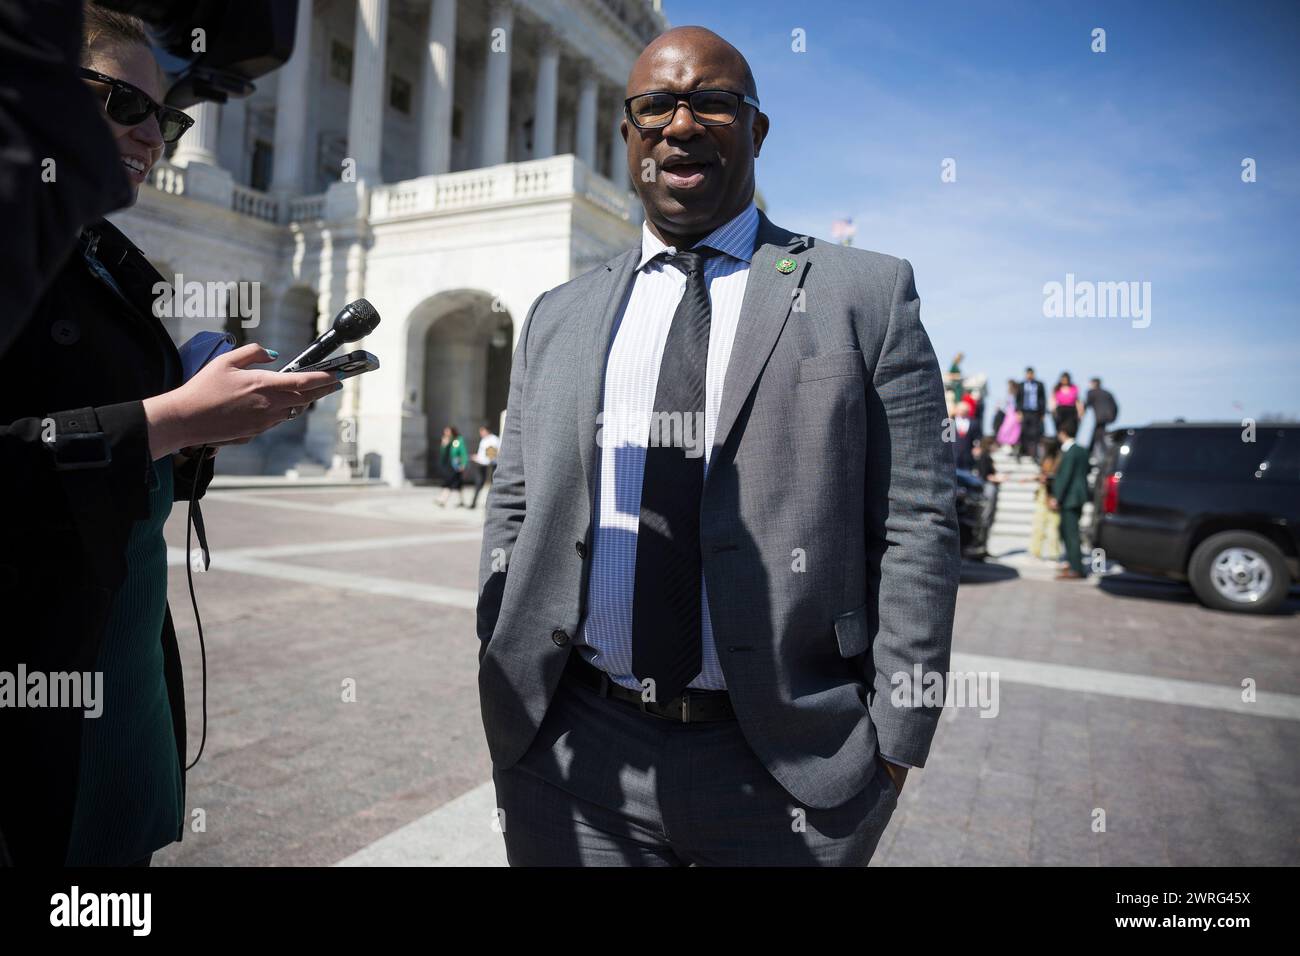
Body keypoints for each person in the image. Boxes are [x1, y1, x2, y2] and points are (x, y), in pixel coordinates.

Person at [477, 26, 959, 867]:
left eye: (713, 102)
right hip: (573, 754)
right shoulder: (558, 313)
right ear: (628, 135)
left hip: (790, 762)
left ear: (757, 129)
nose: (682, 124)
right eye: (655, 106)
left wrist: (895, 742)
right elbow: (515, 502)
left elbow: (918, 520)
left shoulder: (864, 294)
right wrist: (500, 659)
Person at [0, 6, 341, 867]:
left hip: (122, 663)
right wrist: (172, 418)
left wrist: (201, 426)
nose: (157, 135)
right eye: (124, 103)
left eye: (170, 116)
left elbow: (134, 450)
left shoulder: (109, 256)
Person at [1050, 419, 1091, 580]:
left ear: (1063, 433)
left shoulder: (1070, 451)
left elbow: (1065, 476)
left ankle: (1076, 568)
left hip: (1070, 498)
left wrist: (1057, 497)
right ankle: (1072, 564)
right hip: (1079, 495)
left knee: (1071, 533)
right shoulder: (1082, 450)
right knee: (1067, 531)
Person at [1028, 438, 1062, 561]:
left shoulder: (1052, 460)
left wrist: (1041, 478)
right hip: (1049, 493)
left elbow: (1047, 477)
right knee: (1051, 525)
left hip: (1048, 493)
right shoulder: (1058, 459)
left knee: (1044, 525)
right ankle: (1052, 552)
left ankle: (1038, 551)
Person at [1084, 376, 1118, 462]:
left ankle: (1092, 454)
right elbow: (1115, 406)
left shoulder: (1091, 392)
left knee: (1099, 436)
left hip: (1100, 418)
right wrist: (1113, 417)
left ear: (1094, 384)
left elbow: (1086, 405)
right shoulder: (1108, 393)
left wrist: (1080, 413)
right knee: (1098, 435)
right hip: (1108, 417)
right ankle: (1104, 453)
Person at [1016, 366, 1047, 462]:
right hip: (1025, 411)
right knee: (1023, 432)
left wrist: (1042, 413)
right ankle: (1022, 451)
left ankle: (1034, 453)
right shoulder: (1021, 385)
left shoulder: (1039, 385)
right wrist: (1018, 412)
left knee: (1035, 433)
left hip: (1035, 412)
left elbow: (1043, 399)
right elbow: (1018, 399)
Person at [435, 425, 469, 507]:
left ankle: (442, 499)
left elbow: (463, 453)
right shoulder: (447, 440)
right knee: (458, 484)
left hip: (456, 465)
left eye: (448, 431)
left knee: (449, 482)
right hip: (448, 465)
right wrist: (444, 445)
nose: (446, 433)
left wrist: (463, 464)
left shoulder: (458, 440)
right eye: (445, 431)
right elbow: (443, 454)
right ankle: (461, 501)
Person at [468, 423, 500, 509]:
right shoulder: (484, 440)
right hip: (482, 464)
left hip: (490, 465)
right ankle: (474, 503)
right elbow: (483, 454)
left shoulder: (493, 440)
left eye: (482, 431)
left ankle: (491, 504)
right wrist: (477, 457)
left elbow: (491, 456)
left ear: (487, 431)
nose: (481, 433)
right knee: (478, 484)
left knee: (492, 485)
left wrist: (478, 458)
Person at [1052, 371, 1082, 437]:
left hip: (1071, 410)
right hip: (1060, 410)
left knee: (1071, 429)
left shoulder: (1074, 388)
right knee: (1061, 430)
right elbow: (1053, 400)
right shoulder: (1057, 388)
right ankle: (1061, 445)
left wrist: (1080, 412)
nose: (1064, 381)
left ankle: (1070, 445)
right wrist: (1053, 410)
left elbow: (1077, 401)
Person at [995, 378, 1021, 452]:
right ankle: (1006, 443)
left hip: (1014, 413)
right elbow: (1005, 403)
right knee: (1005, 428)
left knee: (1013, 429)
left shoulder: (1016, 394)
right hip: (1008, 413)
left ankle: (1012, 442)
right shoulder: (1008, 394)